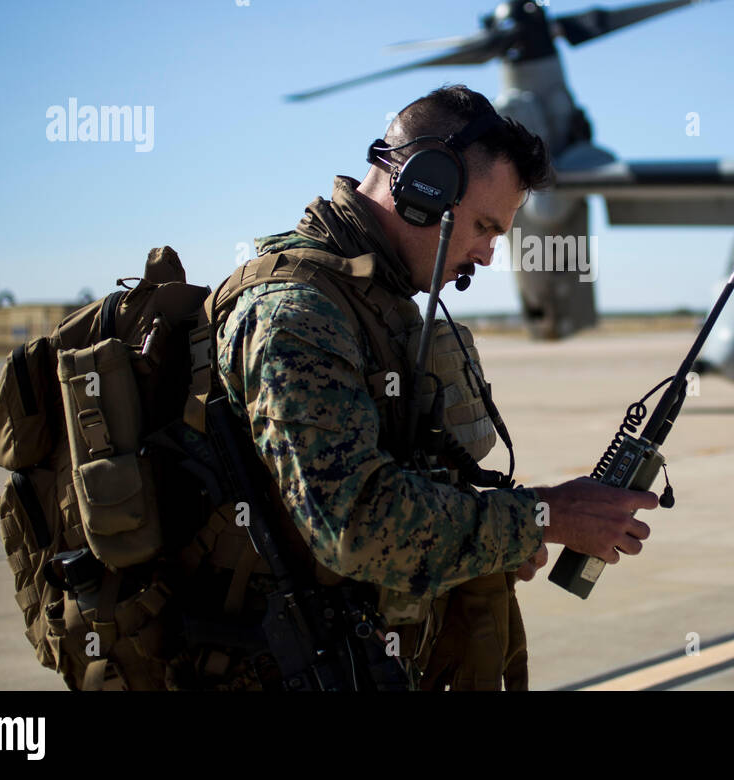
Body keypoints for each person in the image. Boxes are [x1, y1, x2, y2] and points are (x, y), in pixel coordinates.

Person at [212, 84, 657, 690]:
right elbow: (354, 523)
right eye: (482, 226)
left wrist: (496, 532)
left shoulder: (376, 304)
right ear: (423, 188)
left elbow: (406, 480)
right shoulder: (297, 315)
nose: (486, 254)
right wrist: (544, 517)